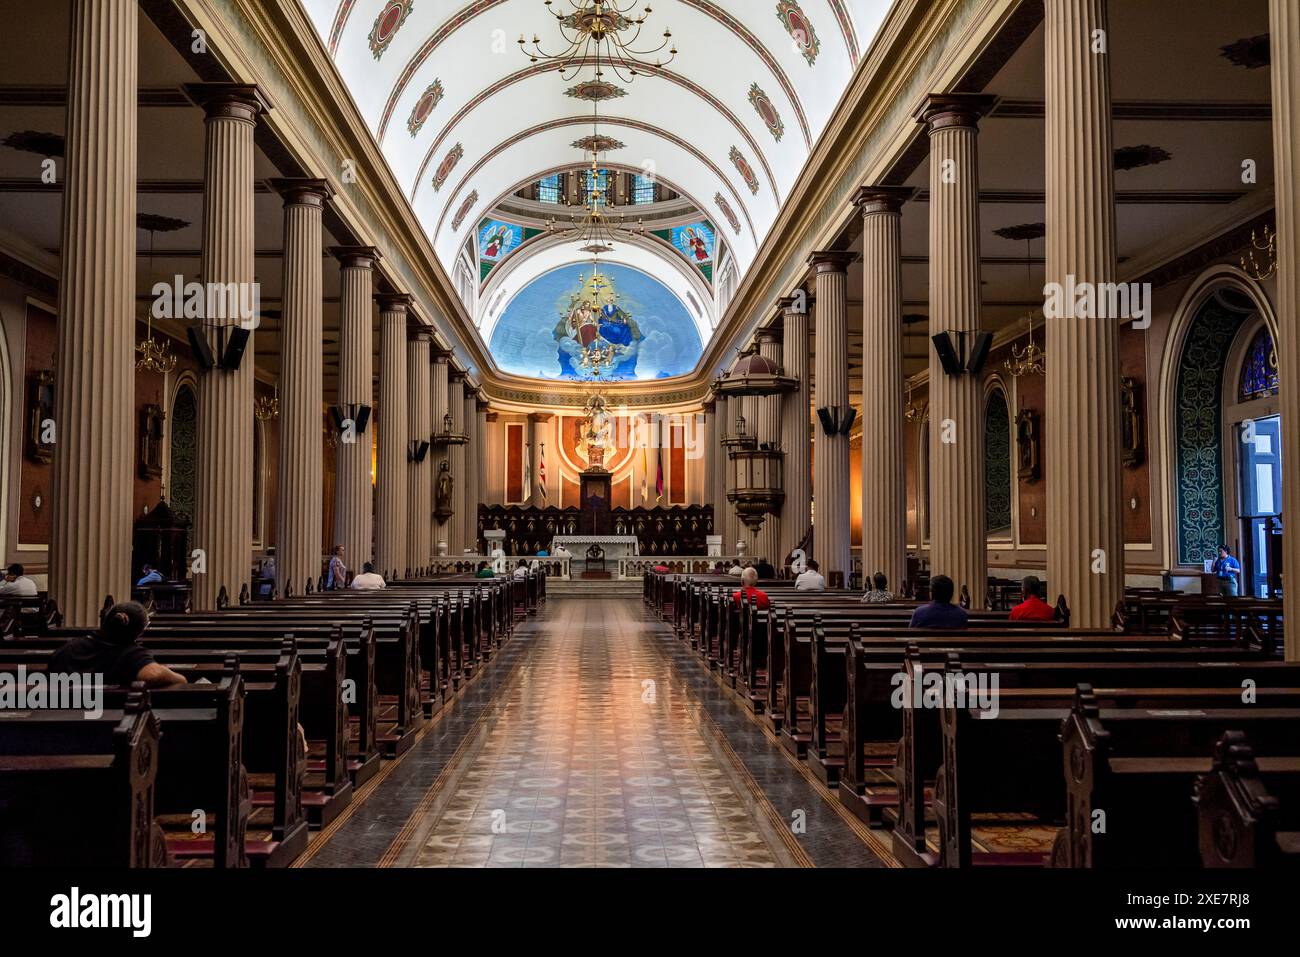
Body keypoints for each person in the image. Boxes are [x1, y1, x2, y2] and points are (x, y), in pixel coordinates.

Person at [48, 601, 186, 688]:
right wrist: (180, 678)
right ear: (138, 633)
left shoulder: (68, 648)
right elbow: (152, 675)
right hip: (112, 719)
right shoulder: (132, 654)